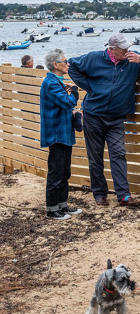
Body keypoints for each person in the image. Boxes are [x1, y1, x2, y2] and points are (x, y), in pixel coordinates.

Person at [67, 34, 140, 207]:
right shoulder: (94, 58)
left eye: (127, 48)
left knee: (118, 154)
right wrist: (89, 86)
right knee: (95, 157)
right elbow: (70, 65)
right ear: (111, 49)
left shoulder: (132, 60)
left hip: (116, 118)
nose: (126, 51)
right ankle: (99, 194)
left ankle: (123, 195)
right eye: (123, 49)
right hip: (93, 115)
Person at [39, 49, 83, 220]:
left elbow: (62, 105)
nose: (68, 64)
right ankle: (52, 210)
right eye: (65, 61)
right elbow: (67, 102)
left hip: (63, 133)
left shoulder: (57, 82)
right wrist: (75, 93)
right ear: (55, 64)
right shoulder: (50, 83)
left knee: (64, 172)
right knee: (56, 172)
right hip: (56, 134)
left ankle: (62, 206)